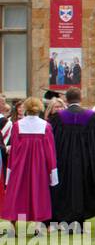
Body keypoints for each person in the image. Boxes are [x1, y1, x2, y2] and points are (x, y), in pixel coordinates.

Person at [48, 88, 95, 228]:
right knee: (83, 188)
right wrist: (94, 160)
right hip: (85, 162)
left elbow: (52, 141)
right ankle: (79, 221)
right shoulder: (91, 116)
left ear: (66, 100)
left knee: (64, 188)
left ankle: (65, 220)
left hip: (63, 161)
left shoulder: (57, 118)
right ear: (81, 98)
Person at [1, 97, 58, 230]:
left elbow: (14, 150)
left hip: (20, 165)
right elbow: (50, 151)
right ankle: (38, 225)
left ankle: (12, 225)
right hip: (39, 166)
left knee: (16, 192)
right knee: (39, 192)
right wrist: (52, 171)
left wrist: (10, 170)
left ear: (26, 108)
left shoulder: (17, 125)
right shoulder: (46, 126)